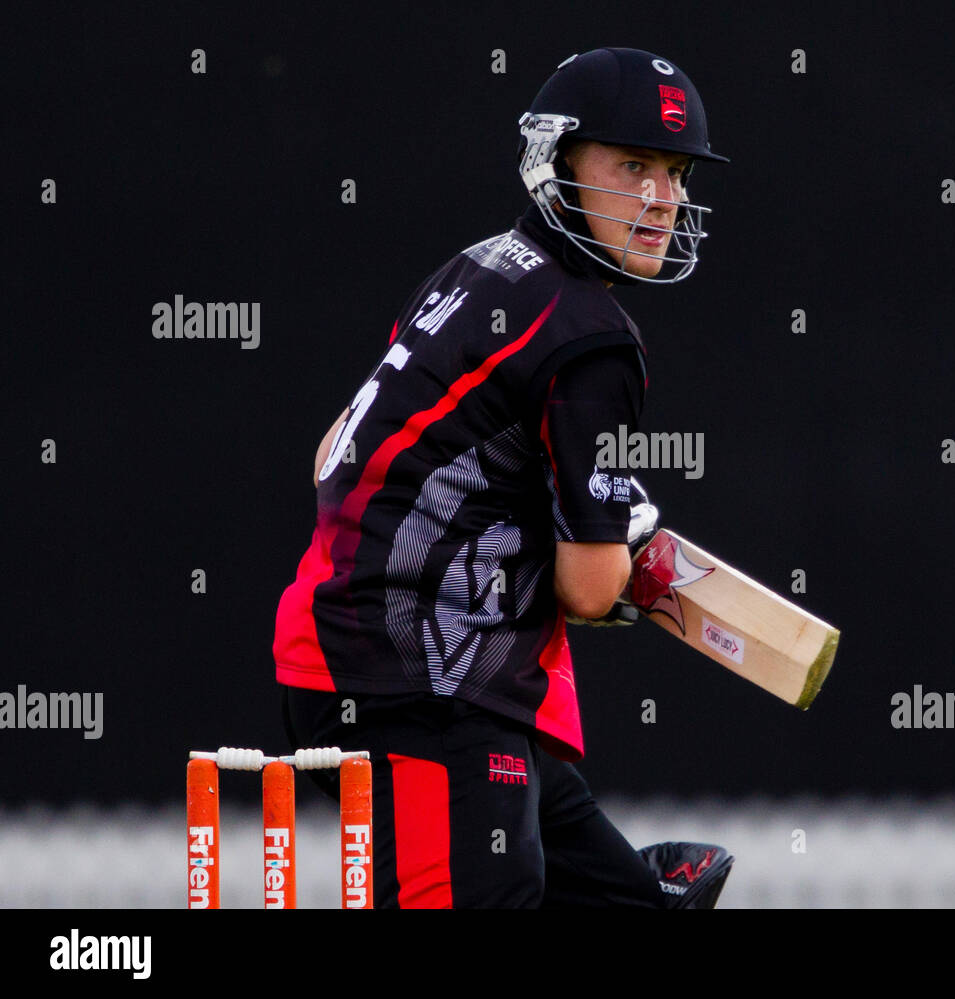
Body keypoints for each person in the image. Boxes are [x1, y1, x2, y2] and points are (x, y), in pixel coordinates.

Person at [272, 47, 733, 908]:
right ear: (555, 165)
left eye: (673, 172)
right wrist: (613, 543)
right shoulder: (592, 338)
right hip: (416, 688)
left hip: (352, 661)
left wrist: (547, 505)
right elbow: (591, 589)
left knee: (634, 899)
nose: (662, 197)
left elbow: (333, 450)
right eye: (632, 165)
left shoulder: (479, 265)